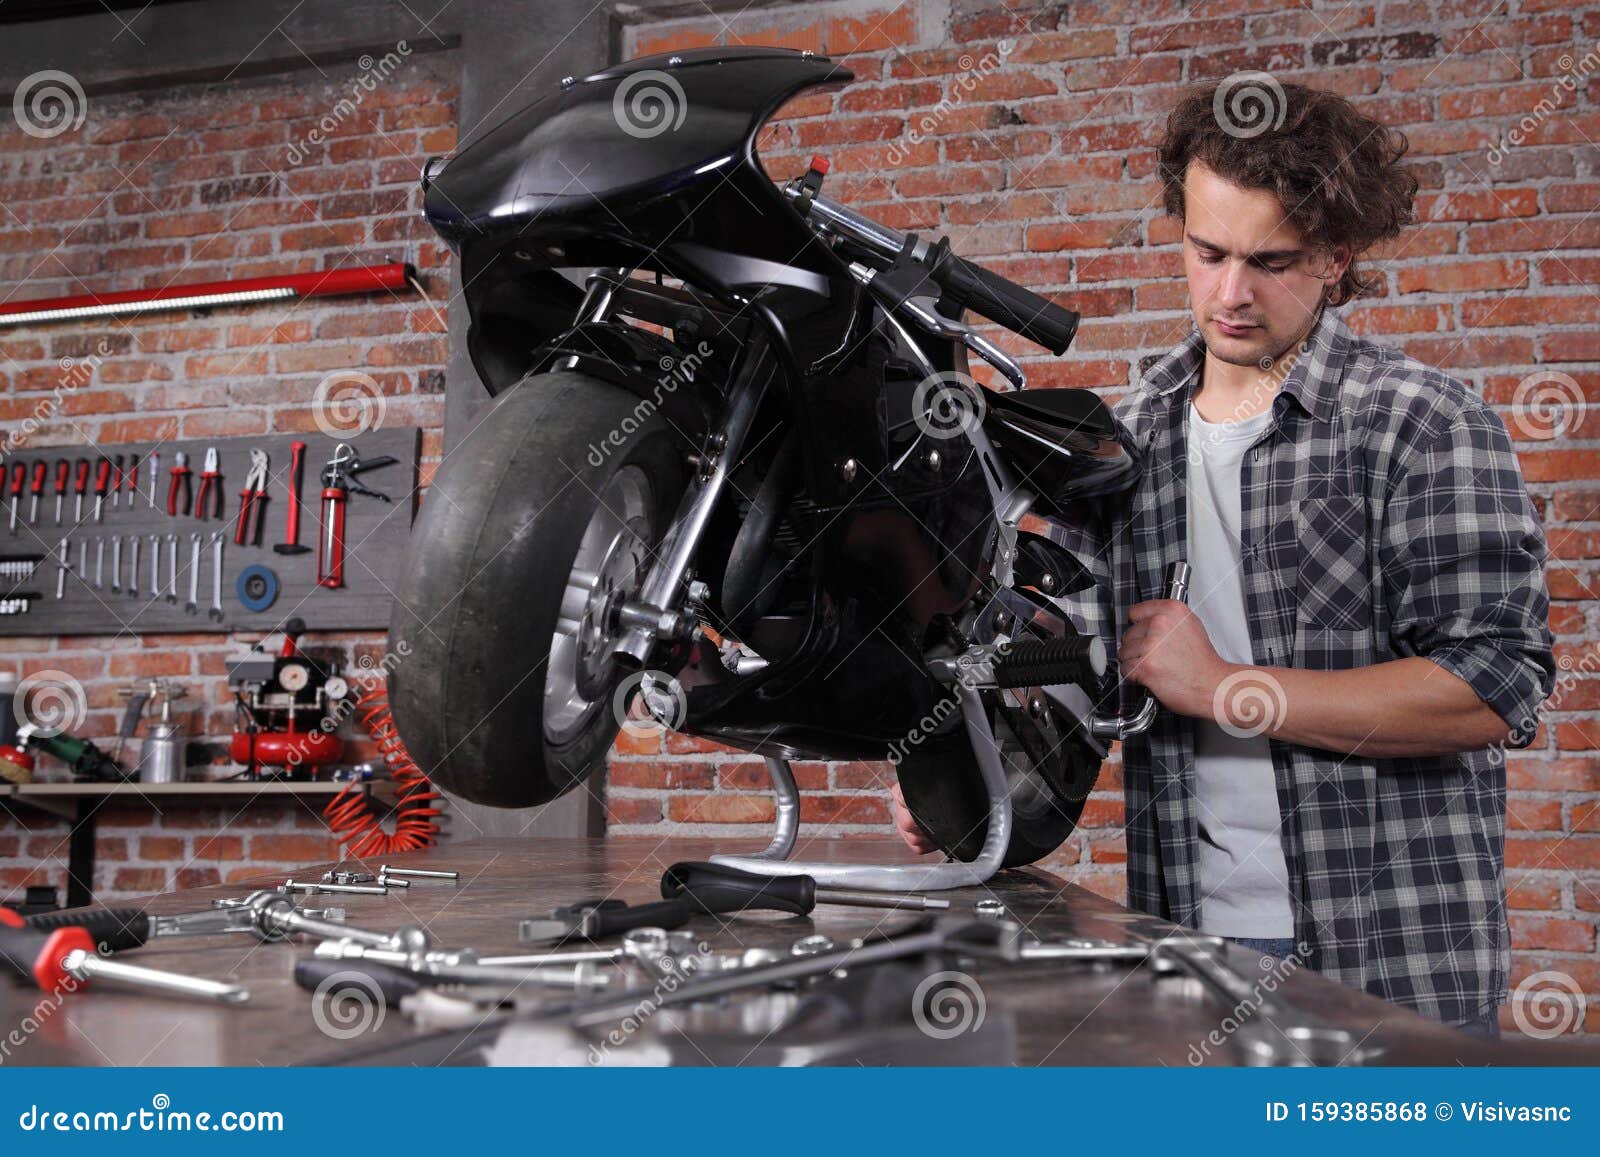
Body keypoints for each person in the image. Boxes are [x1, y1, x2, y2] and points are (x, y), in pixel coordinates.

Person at [892, 80, 1556, 1039]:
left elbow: (1493, 687)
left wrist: (1226, 687)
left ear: (1337, 258)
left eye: (1270, 261)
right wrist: (960, 774)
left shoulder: (1426, 426)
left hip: (1392, 978)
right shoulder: (1128, 442)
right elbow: (1074, 676)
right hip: (1188, 966)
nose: (1230, 293)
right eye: (1207, 253)